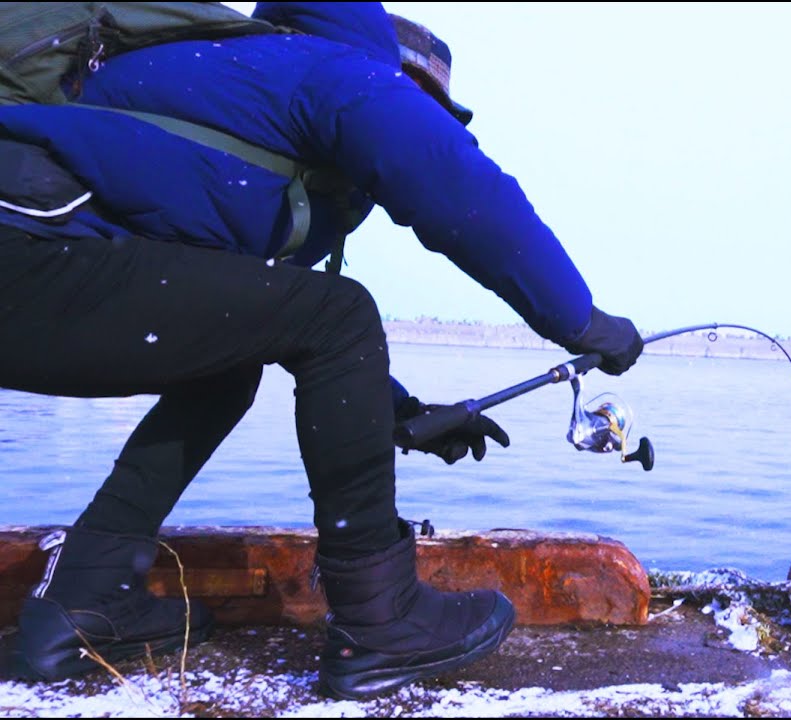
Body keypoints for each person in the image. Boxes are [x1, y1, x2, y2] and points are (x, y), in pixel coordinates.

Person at [0, 1, 644, 699]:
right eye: (420, 101)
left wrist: (403, 413)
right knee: (344, 312)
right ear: (402, 77)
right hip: (25, 256)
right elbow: (459, 187)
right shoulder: (336, 72)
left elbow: (251, 317)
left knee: (232, 355)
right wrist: (582, 323)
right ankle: (380, 621)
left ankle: (82, 605)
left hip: (35, 276)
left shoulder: (229, 88)